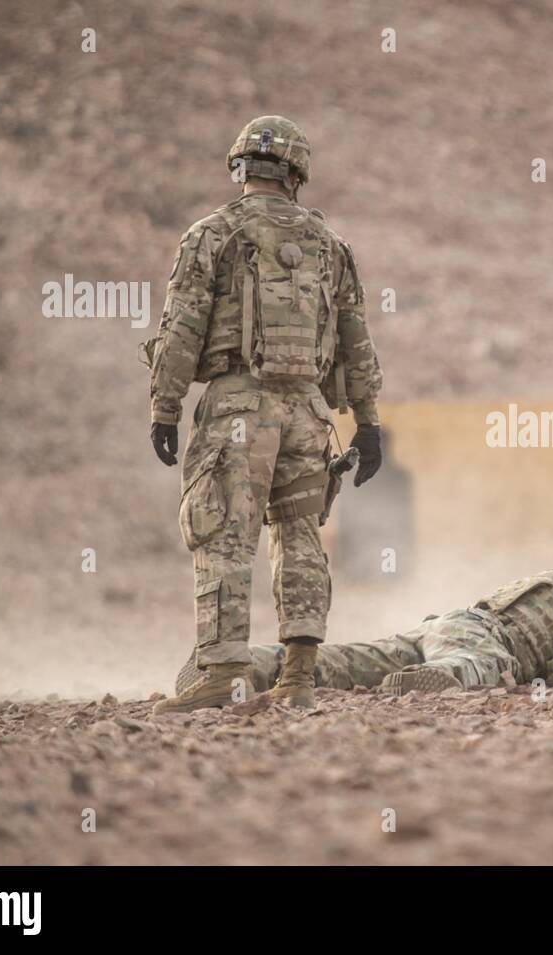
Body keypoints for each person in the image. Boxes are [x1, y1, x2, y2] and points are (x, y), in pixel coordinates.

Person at [145, 116, 383, 715]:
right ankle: (299, 676)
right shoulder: (331, 246)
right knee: (300, 535)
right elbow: (357, 340)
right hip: (308, 410)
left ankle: (224, 671)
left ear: (240, 169)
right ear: (297, 175)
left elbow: (182, 329)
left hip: (238, 407)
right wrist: (371, 423)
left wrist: (165, 407)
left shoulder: (211, 233)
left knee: (224, 531)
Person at [173, 507, 553, 698]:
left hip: (450, 622)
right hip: (479, 640)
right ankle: (441, 679)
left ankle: (248, 664)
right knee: (477, 665)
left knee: (348, 661)